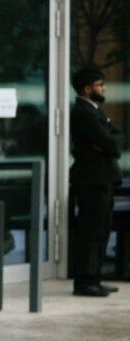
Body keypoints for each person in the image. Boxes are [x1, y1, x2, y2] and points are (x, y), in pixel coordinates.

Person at [69, 66, 121, 297]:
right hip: (92, 179)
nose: (104, 88)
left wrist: (110, 142)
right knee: (91, 233)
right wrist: (109, 142)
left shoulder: (95, 110)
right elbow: (109, 143)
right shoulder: (84, 112)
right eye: (100, 84)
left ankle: (95, 277)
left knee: (102, 232)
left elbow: (115, 139)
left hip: (103, 178)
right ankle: (86, 281)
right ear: (88, 89)